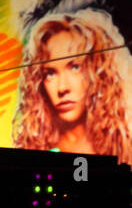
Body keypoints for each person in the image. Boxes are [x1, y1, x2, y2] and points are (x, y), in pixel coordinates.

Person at [12, 9, 132, 164]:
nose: (62, 88)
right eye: (50, 73)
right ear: (39, 83)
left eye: (75, 67)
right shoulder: (31, 152)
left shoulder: (123, 144)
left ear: (95, 70)